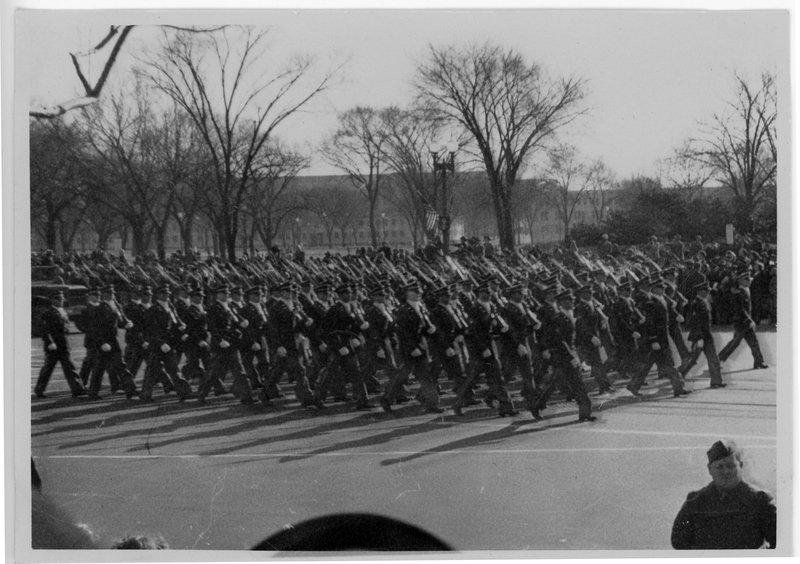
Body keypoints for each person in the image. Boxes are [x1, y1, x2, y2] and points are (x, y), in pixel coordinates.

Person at [671, 440, 776, 550]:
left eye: (730, 466)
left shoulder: (761, 501)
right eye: (719, 466)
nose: (726, 472)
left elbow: (779, 542)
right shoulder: (695, 502)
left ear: (740, 466)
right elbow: (678, 541)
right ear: (709, 469)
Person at [33, 292, 87, 398]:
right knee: (48, 369)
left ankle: (77, 389)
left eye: (62, 299)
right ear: (53, 300)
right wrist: (49, 342)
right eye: (59, 299)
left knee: (70, 367)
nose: (62, 301)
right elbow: (44, 329)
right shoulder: (48, 313)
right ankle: (39, 389)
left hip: (63, 344)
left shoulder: (62, 311)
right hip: (54, 345)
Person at [718, 271, 768, 370]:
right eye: (746, 279)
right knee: (735, 343)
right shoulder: (738, 293)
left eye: (749, 279)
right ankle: (719, 359)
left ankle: (759, 361)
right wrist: (749, 320)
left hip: (745, 322)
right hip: (740, 323)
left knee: (754, 342)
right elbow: (740, 309)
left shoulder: (746, 290)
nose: (749, 281)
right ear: (740, 281)